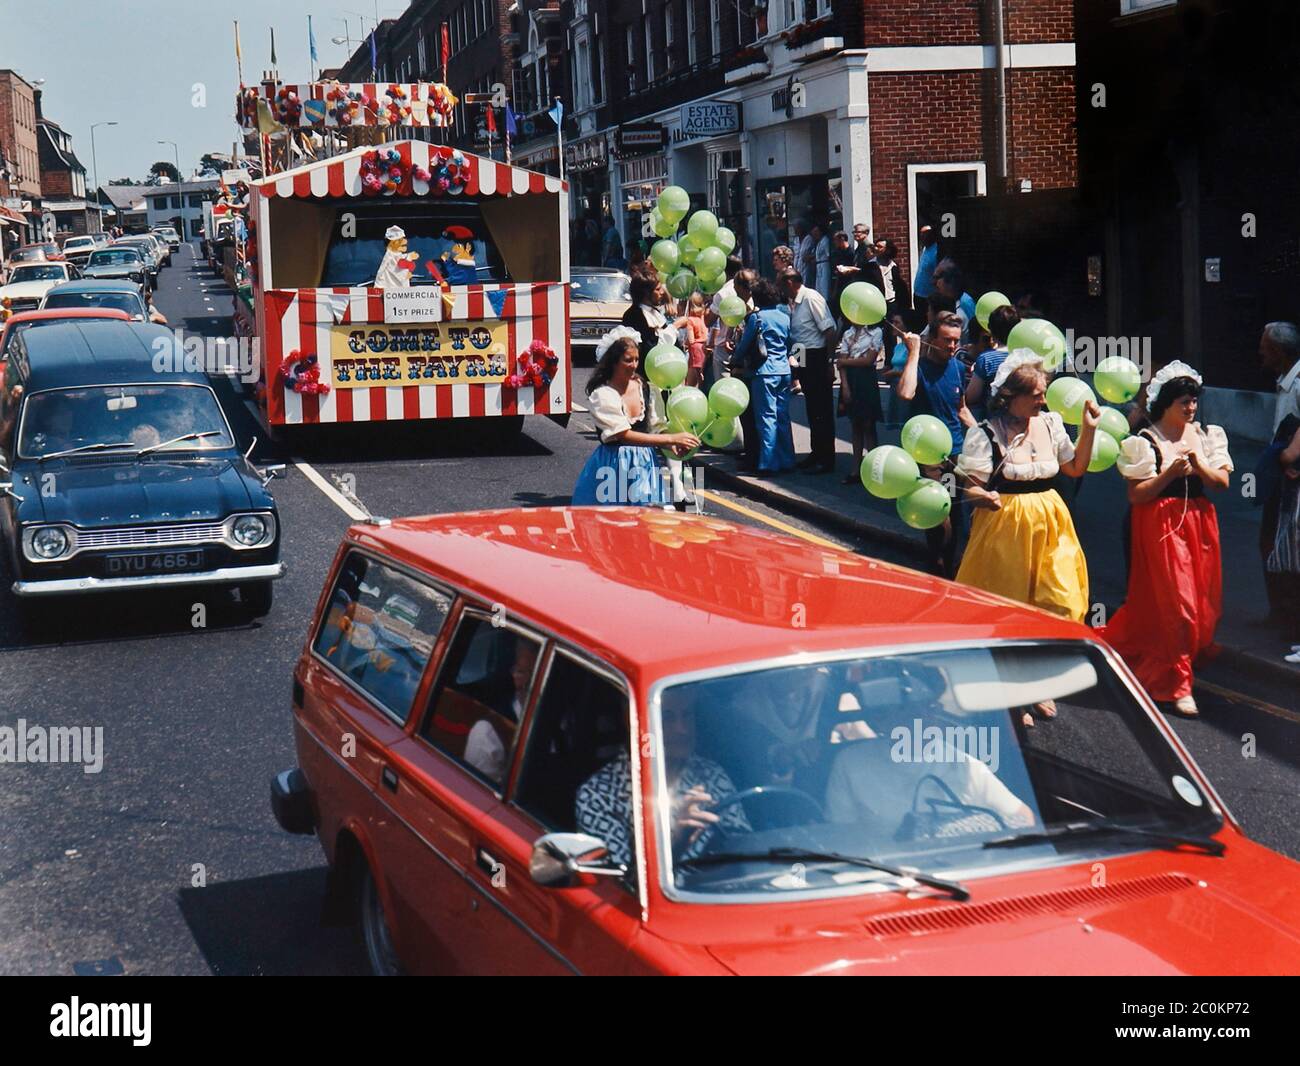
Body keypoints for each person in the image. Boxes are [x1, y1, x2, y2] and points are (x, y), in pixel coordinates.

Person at [1098, 362, 1233, 717]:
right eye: (1184, 402)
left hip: (1200, 522)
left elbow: (1221, 483)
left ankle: (1143, 650)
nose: (1190, 409)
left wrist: (1198, 466)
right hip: (1160, 524)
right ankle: (1178, 684)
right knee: (1180, 606)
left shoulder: (1205, 435)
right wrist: (1168, 473)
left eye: (1193, 401)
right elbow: (1136, 495)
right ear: (1166, 404)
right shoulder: (1144, 441)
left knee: (1203, 604)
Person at [956, 353, 1100, 626]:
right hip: (1007, 526)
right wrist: (985, 497)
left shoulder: (1051, 424)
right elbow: (970, 491)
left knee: (1064, 601)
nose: (1043, 401)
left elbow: (1076, 469)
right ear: (1011, 396)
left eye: (1043, 394)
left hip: (1052, 523)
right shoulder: (986, 434)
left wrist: (1089, 430)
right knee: (1009, 606)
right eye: (1035, 395)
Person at [575, 696, 749, 869]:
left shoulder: (711, 773)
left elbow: (746, 847)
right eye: (666, 717)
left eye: (687, 715)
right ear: (634, 721)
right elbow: (626, 888)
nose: (682, 729)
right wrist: (678, 842)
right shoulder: (597, 796)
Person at [571, 327, 699, 506]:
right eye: (628, 360)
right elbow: (622, 434)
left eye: (636, 359)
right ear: (614, 362)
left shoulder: (644, 387)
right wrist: (672, 438)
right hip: (614, 464)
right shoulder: (603, 393)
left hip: (645, 463)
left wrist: (671, 446)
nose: (633, 365)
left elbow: (655, 426)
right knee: (613, 521)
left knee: (645, 521)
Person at [896, 311, 975, 576]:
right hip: (927, 455)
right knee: (937, 515)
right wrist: (913, 352)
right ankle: (938, 568)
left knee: (953, 511)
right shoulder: (917, 366)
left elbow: (961, 408)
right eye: (945, 340)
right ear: (930, 338)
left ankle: (947, 570)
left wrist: (985, 434)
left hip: (954, 452)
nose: (952, 346)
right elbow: (906, 392)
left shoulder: (958, 367)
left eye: (956, 340)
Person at [1258, 322, 1300, 635]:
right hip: (1281, 474)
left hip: (1292, 479)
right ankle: (1281, 614)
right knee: (1271, 542)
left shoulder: (1298, 384)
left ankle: (1287, 618)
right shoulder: (1286, 380)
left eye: (1265, 347)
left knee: (1282, 544)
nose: (1261, 352)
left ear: (1279, 352)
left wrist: (1291, 460)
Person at [734, 278, 796, 477]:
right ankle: (787, 459)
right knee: (783, 417)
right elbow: (792, 344)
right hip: (784, 371)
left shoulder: (757, 318)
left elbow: (744, 345)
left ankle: (768, 463)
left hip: (764, 372)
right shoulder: (785, 316)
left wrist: (734, 359)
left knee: (766, 418)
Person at [782, 266, 838, 473]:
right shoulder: (793, 303)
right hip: (803, 354)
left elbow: (830, 330)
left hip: (817, 355)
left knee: (822, 409)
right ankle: (816, 452)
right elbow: (798, 335)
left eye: (782, 284)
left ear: (791, 283)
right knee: (812, 408)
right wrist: (796, 369)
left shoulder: (811, 298)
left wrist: (829, 361)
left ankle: (827, 458)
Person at [835, 315, 884, 483]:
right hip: (851, 380)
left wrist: (845, 362)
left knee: (869, 424)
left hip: (866, 380)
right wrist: (845, 386)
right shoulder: (848, 333)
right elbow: (840, 363)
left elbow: (869, 360)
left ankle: (873, 469)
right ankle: (855, 470)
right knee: (855, 423)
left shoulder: (876, 332)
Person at [965, 304, 1020, 421]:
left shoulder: (986, 359)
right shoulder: (1025, 357)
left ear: (991, 330)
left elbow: (971, 397)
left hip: (996, 423)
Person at [621, 264, 677, 369]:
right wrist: (675, 327)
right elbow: (651, 351)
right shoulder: (635, 316)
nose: (662, 292)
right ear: (646, 293)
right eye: (657, 289)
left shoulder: (654, 312)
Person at [706, 255, 745, 387]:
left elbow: (709, 321)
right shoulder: (748, 289)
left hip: (724, 346)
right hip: (744, 342)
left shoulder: (722, 293)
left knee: (724, 386)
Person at [862, 238, 909, 323]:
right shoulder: (869, 266)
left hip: (892, 304)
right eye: (875, 246)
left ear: (887, 250)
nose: (876, 249)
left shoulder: (894, 266)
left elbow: (898, 285)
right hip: (876, 304)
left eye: (879, 247)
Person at [932, 257, 976, 343]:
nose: (934, 283)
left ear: (950, 281)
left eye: (937, 277)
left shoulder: (964, 304)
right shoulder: (955, 301)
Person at [674, 291, 710, 388]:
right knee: (701, 375)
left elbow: (691, 339)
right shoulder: (703, 318)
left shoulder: (690, 320)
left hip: (695, 348)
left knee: (693, 379)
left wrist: (685, 343)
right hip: (704, 346)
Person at [912, 224, 939, 321]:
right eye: (921, 234)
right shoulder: (924, 249)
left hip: (928, 297)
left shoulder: (937, 251)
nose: (922, 236)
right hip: (918, 294)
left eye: (926, 234)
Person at [813, 223, 833, 299]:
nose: (815, 234)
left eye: (816, 231)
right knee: (818, 287)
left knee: (824, 286)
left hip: (824, 264)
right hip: (819, 265)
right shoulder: (819, 242)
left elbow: (828, 255)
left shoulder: (825, 240)